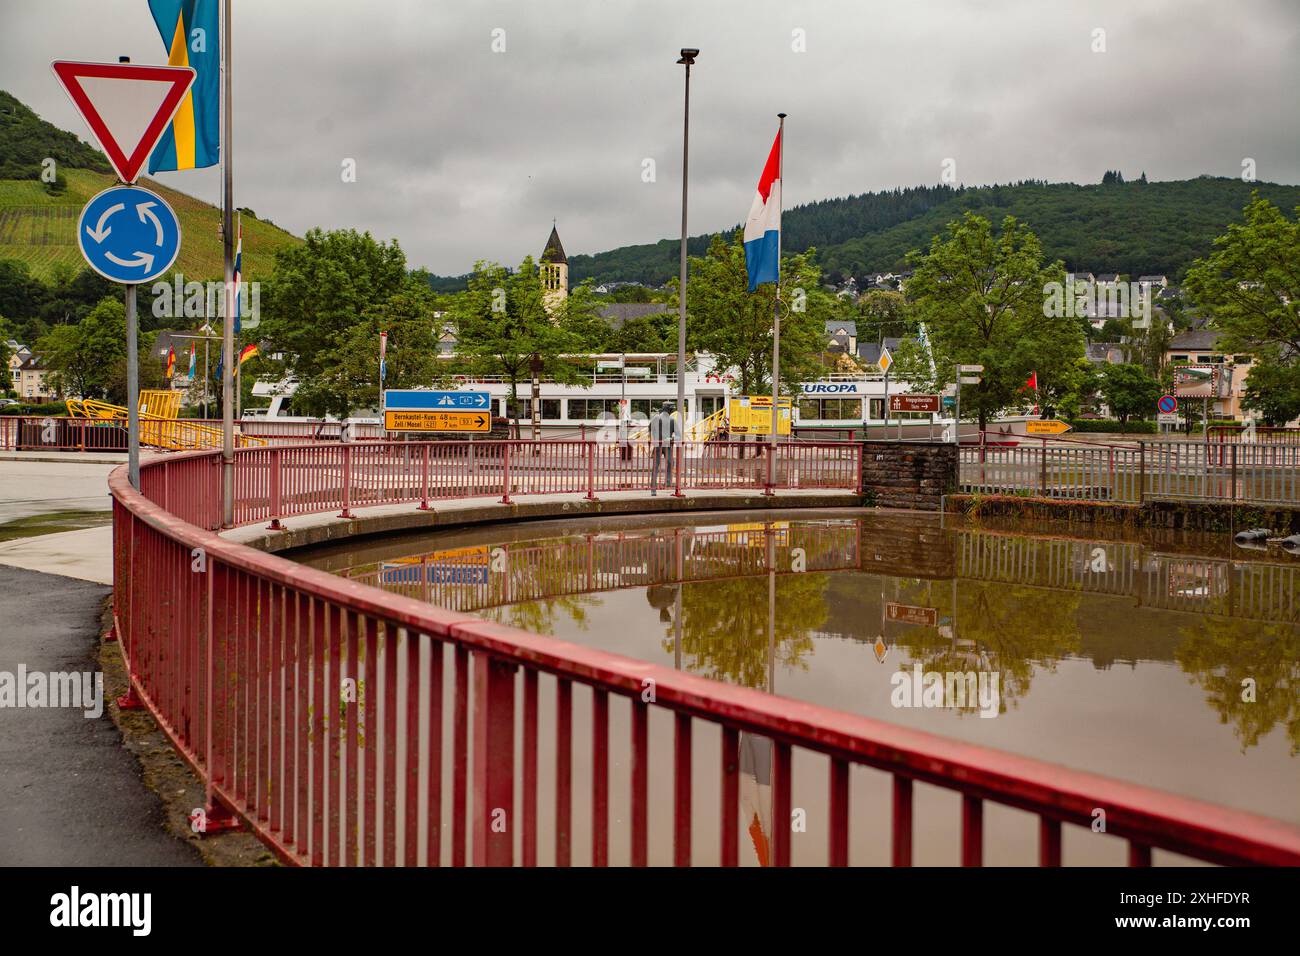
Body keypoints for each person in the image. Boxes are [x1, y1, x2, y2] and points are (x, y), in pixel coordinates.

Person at [649, 401, 679, 494]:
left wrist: (671, 438)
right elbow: (650, 429)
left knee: (671, 462)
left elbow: (678, 435)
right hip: (658, 446)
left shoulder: (672, 420)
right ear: (666, 408)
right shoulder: (656, 418)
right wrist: (655, 439)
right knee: (656, 466)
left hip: (667, 446)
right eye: (671, 409)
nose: (671, 410)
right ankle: (653, 489)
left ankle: (668, 481)